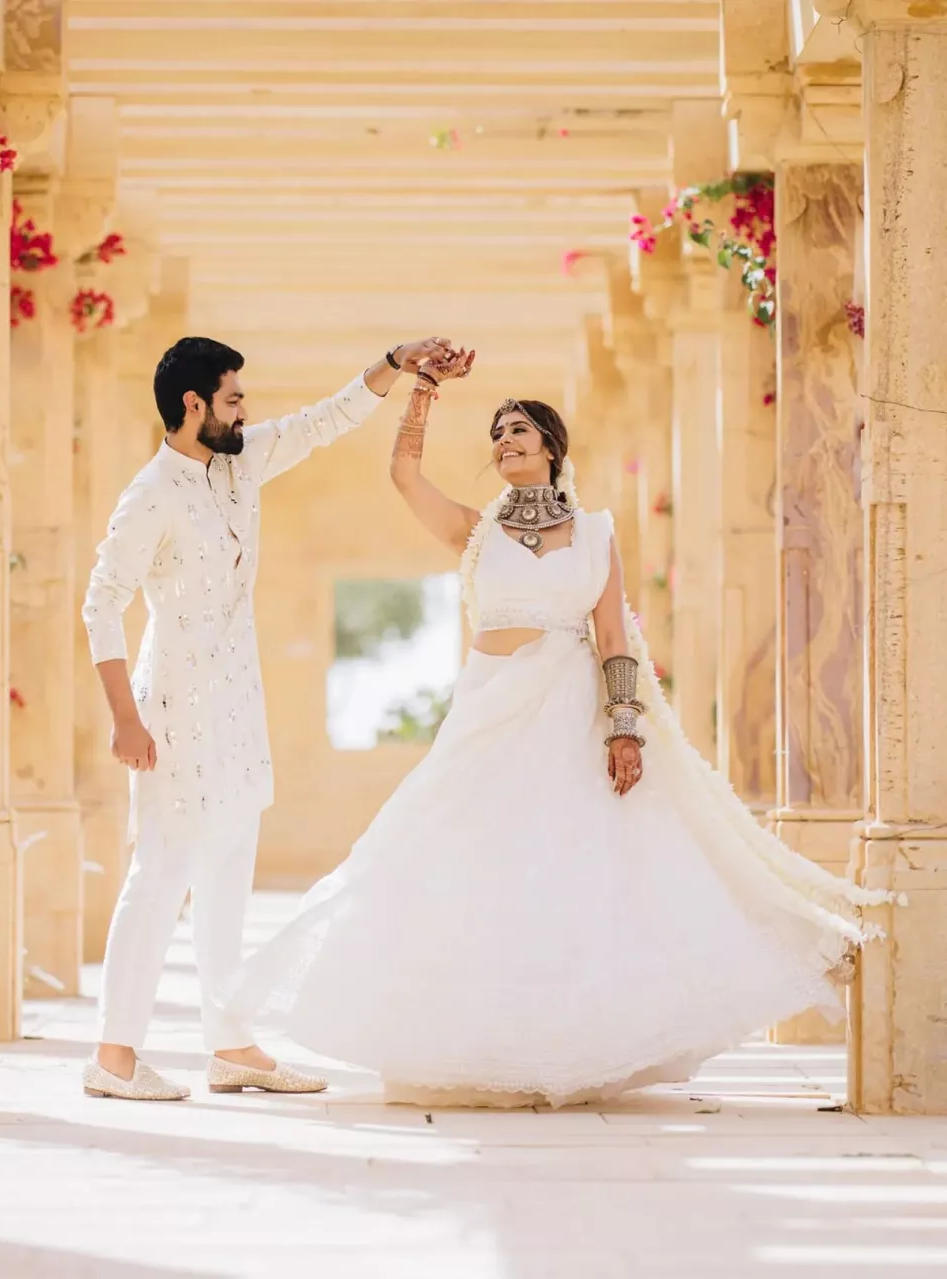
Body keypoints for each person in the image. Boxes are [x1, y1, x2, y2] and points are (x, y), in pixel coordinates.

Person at [216, 348, 893, 1109]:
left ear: (550, 446)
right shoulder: (476, 534)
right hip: (488, 715)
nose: (504, 441)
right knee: (467, 863)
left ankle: (570, 1047)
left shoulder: (598, 533)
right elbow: (404, 475)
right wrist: (424, 389)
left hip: (569, 717)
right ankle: (471, 1042)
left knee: (565, 868)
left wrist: (624, 729)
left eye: (519, 431)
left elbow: (613, 637)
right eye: (498, 433)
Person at [80, 334, 456, 1101]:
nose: (244, 409)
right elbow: (101, 605)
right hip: (171, 712)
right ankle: (113, 1057)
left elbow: (326, 420)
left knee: (226, 876)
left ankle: (233, 1044)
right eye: (232, 397)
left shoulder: (243, 461)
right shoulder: (149, 494)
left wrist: (397, 359)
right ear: (193, 404)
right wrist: (125, 718)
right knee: (159, 874)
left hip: (237, 711)